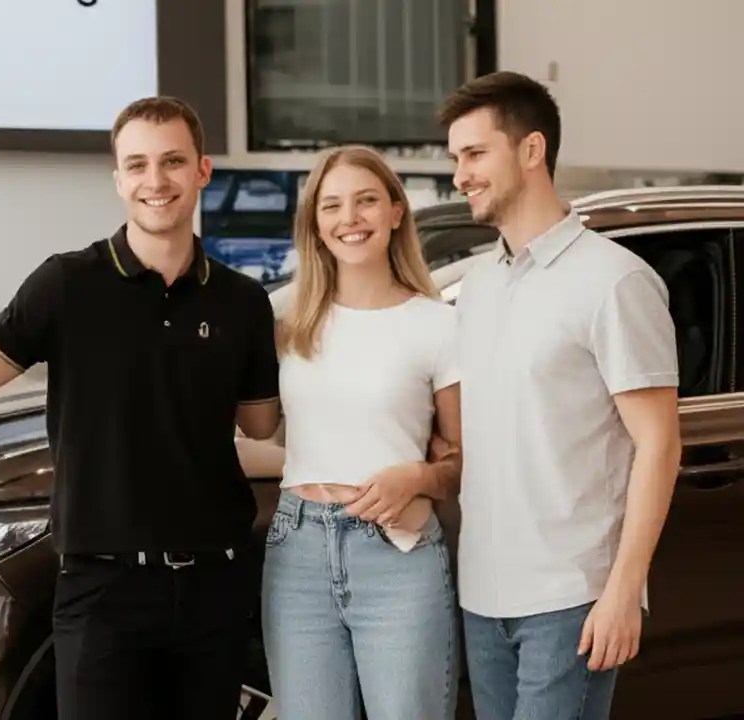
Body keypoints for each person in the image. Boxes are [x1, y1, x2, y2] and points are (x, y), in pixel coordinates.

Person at [0, 95, 281, 719]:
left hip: (213, 587)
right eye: (136, 165)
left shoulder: (243, 302)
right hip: (101, 588)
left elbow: (261, 422)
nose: (154, 181)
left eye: (171, 162)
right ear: (117, 179)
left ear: (203, 170)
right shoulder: (67, 284)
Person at [440, 71, 682, 719]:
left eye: (474, 153)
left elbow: (659, 445)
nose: (460, 174)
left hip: (571, 596)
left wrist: (624, 591)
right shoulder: (480, 286)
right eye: (455, 158)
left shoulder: (614, 281)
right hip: (484, 592)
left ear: (531, 150)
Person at [235, 145, 463, 719]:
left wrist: (419, 475)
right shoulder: (290, 331)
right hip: (298, 552)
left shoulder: (439, 325)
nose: (349, 218)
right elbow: (269, 433)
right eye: (331, 206)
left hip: (397, 555)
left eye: (365, 201)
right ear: (315, 225)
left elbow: (465, 462)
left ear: (395, 211)